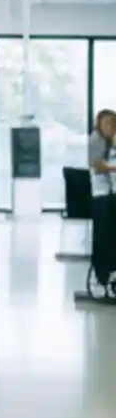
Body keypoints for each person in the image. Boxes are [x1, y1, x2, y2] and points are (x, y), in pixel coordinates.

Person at [89, 109, 116, 295]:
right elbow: (98, 165)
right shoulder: (96, 139)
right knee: (104, 236)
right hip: (101, 196)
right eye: (107, 123)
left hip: (109, 196)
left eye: (113, 124)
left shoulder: (109, 142)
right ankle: (103, 275)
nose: (110, 127)